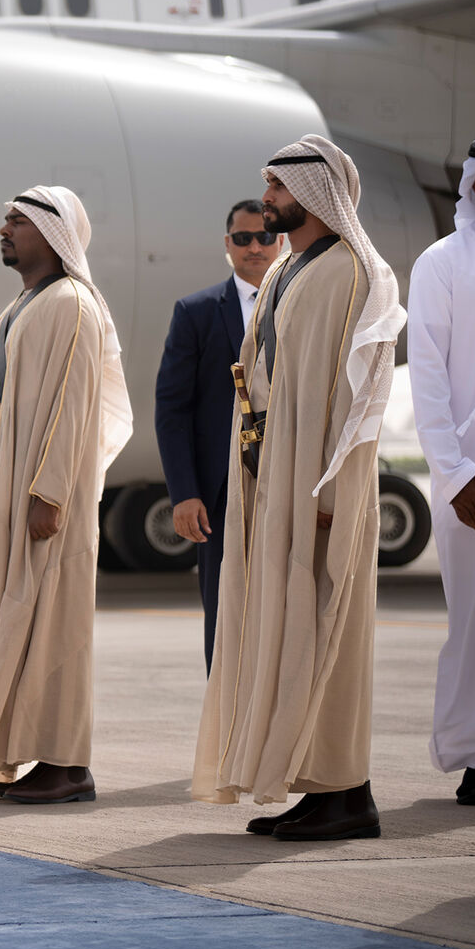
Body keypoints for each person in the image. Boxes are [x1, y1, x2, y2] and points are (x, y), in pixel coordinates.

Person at [194, 136, 404, 840]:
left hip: (319, 486)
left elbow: (357, 394)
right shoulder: (291, 268)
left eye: (279, 188)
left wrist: (330, 490)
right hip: (274, 477)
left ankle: (349, 793)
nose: (268, 199)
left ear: (314, 193)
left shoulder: (350, 271)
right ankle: (314, 785)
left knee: (327, 631)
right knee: (287, 635)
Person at [0, 187, 131, 805]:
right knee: (15, 624)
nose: (5, 229)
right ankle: (21, 752)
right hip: (7, 488)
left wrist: (49, 492)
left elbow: (74, 405)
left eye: (19, 221)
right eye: (6, 219)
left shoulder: (73, 304)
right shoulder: (24, 305)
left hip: (43, 497)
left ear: (54, 233)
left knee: (55, 626)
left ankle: (67, 764)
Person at [156, 200, 285, 671]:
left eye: (264, 237)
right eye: (243, 238)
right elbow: (172, 410)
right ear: (227, 244)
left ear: (280, 242)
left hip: (288, 481)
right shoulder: (196, 312)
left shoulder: (301, 306)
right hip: (218, 494)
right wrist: (185, 494)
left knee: (288, 609)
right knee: (224, 612)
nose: (255, 247)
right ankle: (224, 708)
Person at [418, 140, 475, 804]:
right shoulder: (443, 262)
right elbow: (428, 376)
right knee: (474, 623)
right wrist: (455, 474)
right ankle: (473, 752)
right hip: (471, 476)